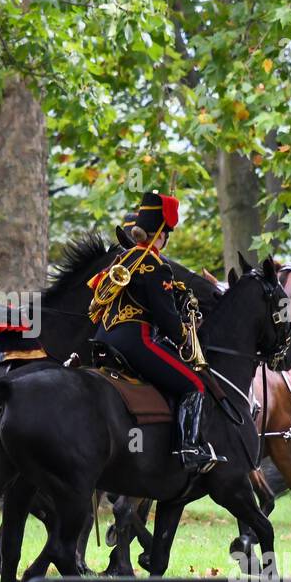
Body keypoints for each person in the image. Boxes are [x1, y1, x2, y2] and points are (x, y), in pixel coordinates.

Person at [88, 190, 214, 468]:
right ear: (162, 234)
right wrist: (186, 337)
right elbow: (166, 319)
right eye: (167, 232)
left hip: (103, 341)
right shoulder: (156, 266)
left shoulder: (122, 261)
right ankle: (188, 449)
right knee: (193, 385)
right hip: (136, 342)